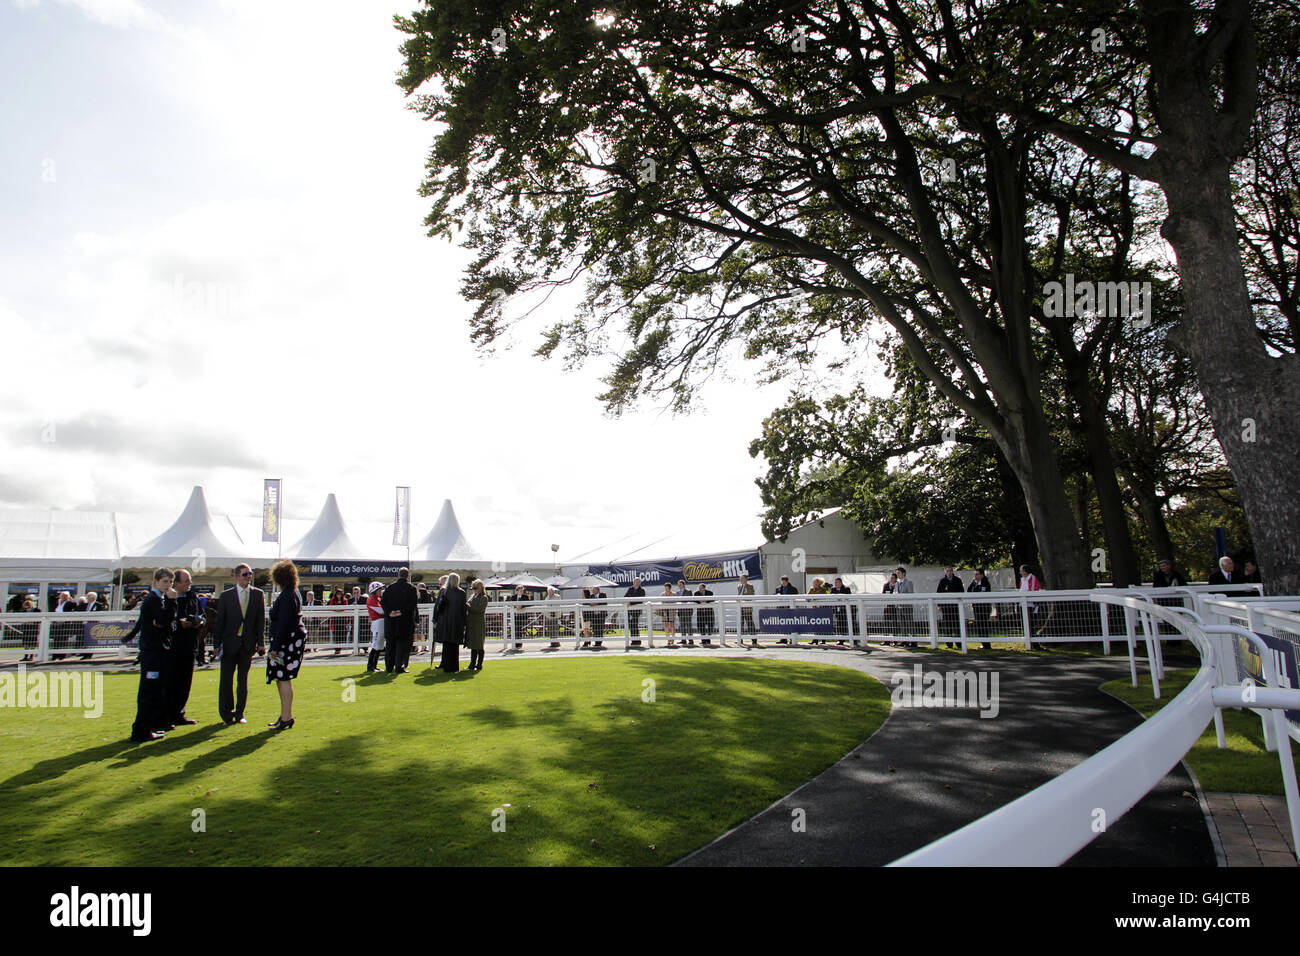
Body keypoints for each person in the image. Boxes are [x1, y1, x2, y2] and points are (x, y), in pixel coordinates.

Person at [212, 564, 266, 725]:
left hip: (247, 644)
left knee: (243, 680)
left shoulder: (258, 594)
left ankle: (240, 712)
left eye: (250, 574)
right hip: (229, 644)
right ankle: (226, 714)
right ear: (237, 576)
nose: (248, 577)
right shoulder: (226, 596)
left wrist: (261, 643)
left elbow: (260, 621)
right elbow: (219, 621)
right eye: (245, 574)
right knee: (226, 680)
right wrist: (216, 644)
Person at [129, 568, 177, 742]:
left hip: (156, 650)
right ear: (155, 582)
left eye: (170, 582)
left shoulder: (157, 599)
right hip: (153, 652)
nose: (168, 586)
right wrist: (172, 604)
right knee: (149, 692)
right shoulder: (153, 599)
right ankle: (141, 730)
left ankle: (147, 727)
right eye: (165, 582)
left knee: (155, 691)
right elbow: (163, 620)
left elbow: (162, 622)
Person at [265, 559, 305, 731]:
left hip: (286, 642)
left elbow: (283, 622)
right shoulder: (293, 593)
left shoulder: (287, 595)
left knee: (283, 678)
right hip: (291, 640)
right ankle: (284, 715)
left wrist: (275, 646)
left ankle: (286, 717)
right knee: (282, 678)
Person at [164, 568, 203, 727]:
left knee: (185, 681)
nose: (190, 584)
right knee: (170, 682)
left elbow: (202, 614)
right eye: (186, 581)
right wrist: (179, 624)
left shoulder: (192, 596)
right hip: (173, 647)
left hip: (189, 645)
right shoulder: (168, 598)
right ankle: (166, 715)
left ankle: (179, 713)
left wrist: (199, 621)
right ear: (177, 583)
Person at [382, 568, 419, 673]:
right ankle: (399, 666)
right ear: (408, 576)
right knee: (402, 645)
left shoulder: (390, 587)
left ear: (398, 575)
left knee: (390, 644)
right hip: (405, 621)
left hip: (391, 621)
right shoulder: (411, 588)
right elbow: (413, 605)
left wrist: (389, 612)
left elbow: (383, 602)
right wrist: (401, 612)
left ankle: (389, 667)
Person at [436, 573, 468, 672]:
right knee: (455, 645)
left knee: (446, 645)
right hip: (457, 621)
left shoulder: (444, 591)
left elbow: (438, 607)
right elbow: (463, 609)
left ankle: (446, 665)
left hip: (445, 621)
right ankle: (454, 666)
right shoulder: (461, 593)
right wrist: (465, 622)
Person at [936, 566, 964, 649]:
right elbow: (939, 593)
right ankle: (949, 644)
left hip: (955, 606)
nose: (949, 572)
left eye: (950, 571)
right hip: (946, 607)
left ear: (953, 571)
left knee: (956, 625)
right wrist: (939, 605)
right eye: (947, 571)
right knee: (947, 626)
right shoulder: (942, 581)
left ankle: (959, 644)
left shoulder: (957, 580)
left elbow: (961, 592)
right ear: (945, 572)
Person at [465, 579, 488, 671]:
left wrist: (469, 607)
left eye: (475, 588)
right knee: (473, 644)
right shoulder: (472, 596)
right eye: (473, 588)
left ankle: (479, 664)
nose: (474, 590)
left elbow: (480, 610)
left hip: (478, 623)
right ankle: (472, 663)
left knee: (479, 644)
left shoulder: (484, 598)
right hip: (471, 622)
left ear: (480, 588)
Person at [967, 568, 993, 649]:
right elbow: (968, 590)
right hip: (976, 607)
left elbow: (982, 593)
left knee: (983, 624)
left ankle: (987, 645)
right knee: (979, 625)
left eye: (977, 574)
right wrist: (973, 584)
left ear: (982, 575)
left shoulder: (985, 583)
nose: (975, 576)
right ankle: (983, 643)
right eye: (975, 574)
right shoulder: (974, 582)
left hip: (984, 607)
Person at [365, 582, 385, 672]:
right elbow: (381, 611)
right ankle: (370, 666)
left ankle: (374, 665)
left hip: (381, 622)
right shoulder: (371, 599)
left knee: (380, 645)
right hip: (377, 622)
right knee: (376, 644)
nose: (381, 591)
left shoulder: (377, 599)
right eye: (380, 589)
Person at [774, 575, 799, 644]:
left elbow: (796, 598)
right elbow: (775, 595)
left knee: (791, 623)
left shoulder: (793, 589)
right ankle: (783, 639)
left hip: (790, 608)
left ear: (787, 581)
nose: (783, 583)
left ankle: (792, 639)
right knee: (782, 623)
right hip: (781, 608)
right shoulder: (778, 588)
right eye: (782, 581)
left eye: (784, 581)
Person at [1019, 564, 1042, 636]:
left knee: (1031, 623)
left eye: (1021, 571)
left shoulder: (1032, 578)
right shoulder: (1022, 580)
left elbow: (1032, 590)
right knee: (1025, 623)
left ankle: (1034, 640)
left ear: (1025, 571)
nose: (1020, 573)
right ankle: (1027, 638)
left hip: (1031, 604)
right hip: (1023, 604)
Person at [830, 576, 852, 645]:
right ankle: (840, 640)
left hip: (845, 609)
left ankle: (852, 640)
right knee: (839, 624)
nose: (835, 584)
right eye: (835, 582)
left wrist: (842, 599)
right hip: (837, 609)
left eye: (837, 582)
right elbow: (830, 597)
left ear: (841, 582)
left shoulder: (846, 589)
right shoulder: (833, 589)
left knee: (847, 624)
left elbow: (849, 597)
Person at [894, 568, 915, 642]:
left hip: (906, 606)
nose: (897, 574)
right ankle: (904, 640)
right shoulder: (897, 583)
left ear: (904, 574)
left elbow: (910, 594)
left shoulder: (908, 582)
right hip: (899, 606)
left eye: (899, 573)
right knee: (902, 624)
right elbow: (895, 592)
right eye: (897, 573)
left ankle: (913, 640)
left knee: (909, 623)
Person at [625, 576, 646, 645]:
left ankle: (637, 640)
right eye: (635, 582)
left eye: (638, 582)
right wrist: (627, 602)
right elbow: (625, 597)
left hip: (636, 610)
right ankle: (633, 639)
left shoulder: (642, 590)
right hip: (629, 610)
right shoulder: (630, 589)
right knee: (631, 624)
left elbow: (640, 600)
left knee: (634, 624)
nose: (636, 583)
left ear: (640, 583)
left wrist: (630, 602)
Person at [737, 573, 757, 644]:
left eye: (742, 578)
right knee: (740, 623)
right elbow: (738, 596)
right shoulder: (739, 586)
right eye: (740, 579)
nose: (741, 580)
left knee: (750, 623)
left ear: (746, 579)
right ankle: (740, 639)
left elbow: (752, 595)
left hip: (747, 607)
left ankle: (754, 639)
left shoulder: (750, 586)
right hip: (740, 607)